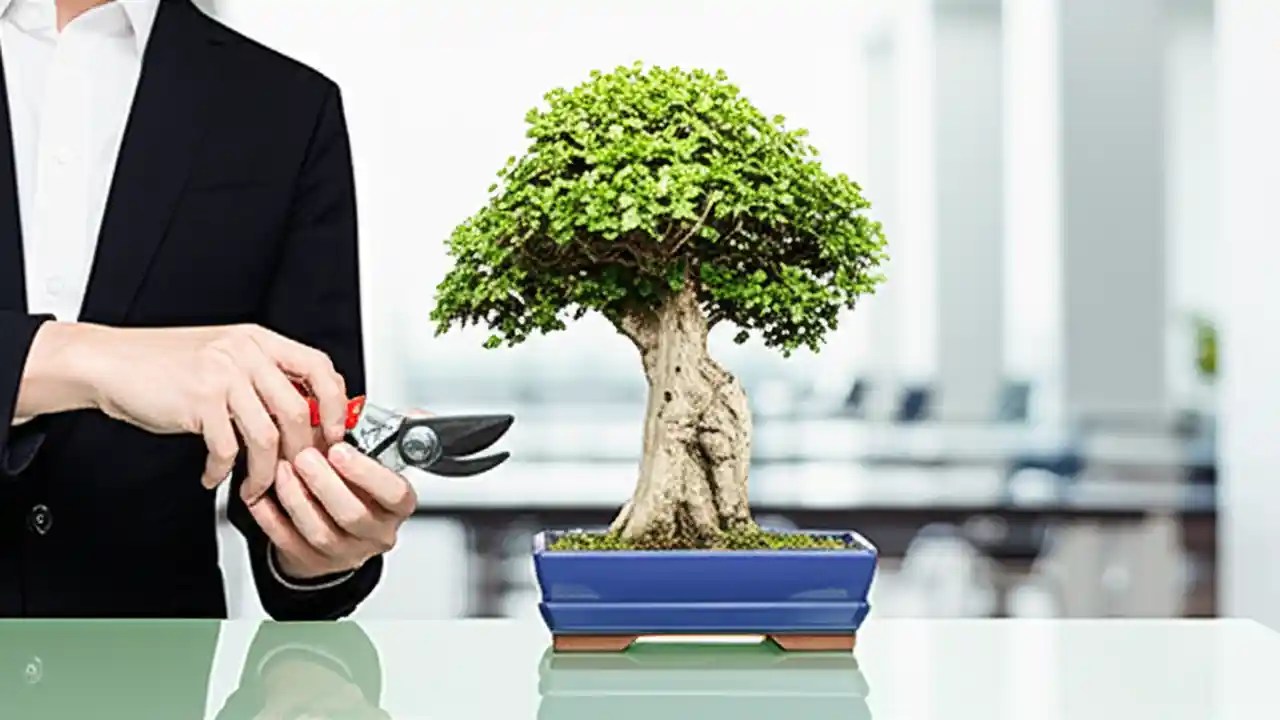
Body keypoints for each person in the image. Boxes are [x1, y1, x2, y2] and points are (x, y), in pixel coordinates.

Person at [0, 0, 415, 618]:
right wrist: (86, 361)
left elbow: (297, 485)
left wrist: (320, 547)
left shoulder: (286, 111)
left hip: (149, 682)